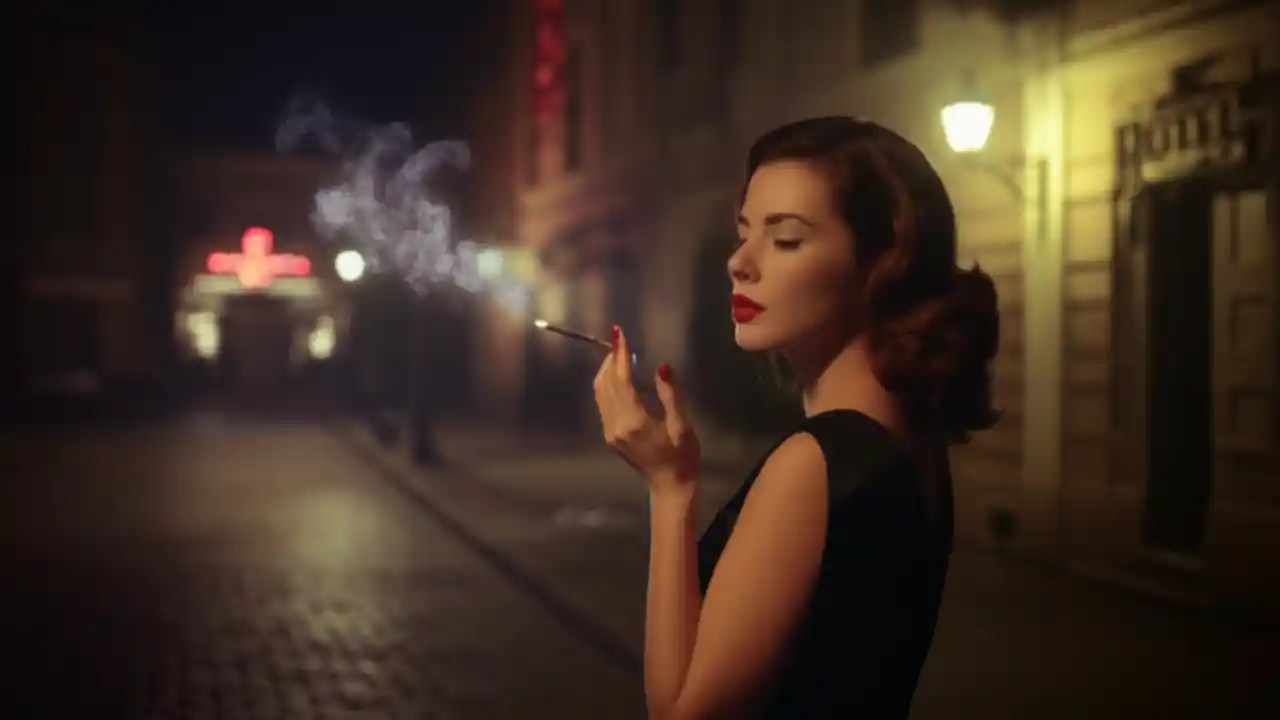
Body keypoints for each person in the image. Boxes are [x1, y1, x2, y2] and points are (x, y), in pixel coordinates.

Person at [592, 116, 1000, 718]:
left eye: (785, 240)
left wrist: (670, 490)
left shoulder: (815, 464)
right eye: (744, 232)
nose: (740, 262)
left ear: (881, 262)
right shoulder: (910, 442)